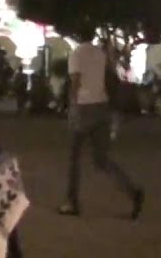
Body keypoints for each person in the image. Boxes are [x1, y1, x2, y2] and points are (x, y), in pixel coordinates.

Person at [60, 26, 144, 219]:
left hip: (83, 106)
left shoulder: (76, 54)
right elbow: (109, 79)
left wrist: (70, 106)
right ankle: (131, 191)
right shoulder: (101, 54)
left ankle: (71, 202)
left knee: (74, 158)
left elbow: (75, 82)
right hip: (101, 105)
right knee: (102, 160)